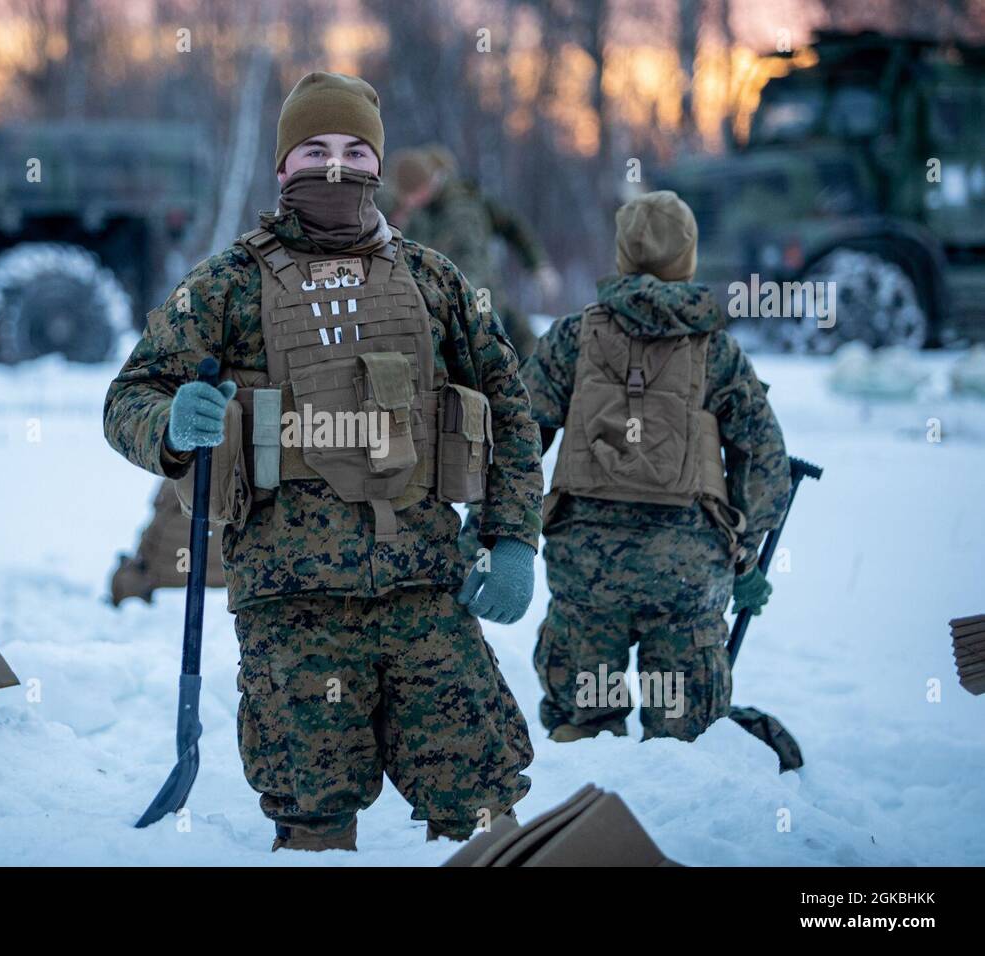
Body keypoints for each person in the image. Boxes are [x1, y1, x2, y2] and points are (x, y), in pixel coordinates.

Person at [104, 72, 543, 851]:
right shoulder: (227, 285)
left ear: (377, 164)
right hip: (290, 604)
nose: (334, 166)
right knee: (311, 817)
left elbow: (509, 408)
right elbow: (128, 396)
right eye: (314, 149)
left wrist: (511, 539)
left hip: (426, 591)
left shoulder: (435, 281)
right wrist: (172, 423)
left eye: (352, 149)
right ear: (283, 167)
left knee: (483, 799)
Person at [521, 191, 791, 742]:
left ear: (622, 255)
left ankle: (588, 822)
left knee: (581, 727)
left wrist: (501, 531)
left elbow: (516, 438)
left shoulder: (573, 337)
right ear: (687, 259)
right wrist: (746, 553)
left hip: (586, 570)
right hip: (688, 574)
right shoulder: (716, 348)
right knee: (685, 738)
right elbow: (764, 459)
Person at [387, 144, 561, 360]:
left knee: (510, 367)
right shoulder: (423, 213)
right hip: (462, 311)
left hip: (477, 310)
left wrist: (538, 264)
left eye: (409, 196)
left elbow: (474, 266)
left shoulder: (460, 213)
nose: (406, 204)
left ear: (420, 187)